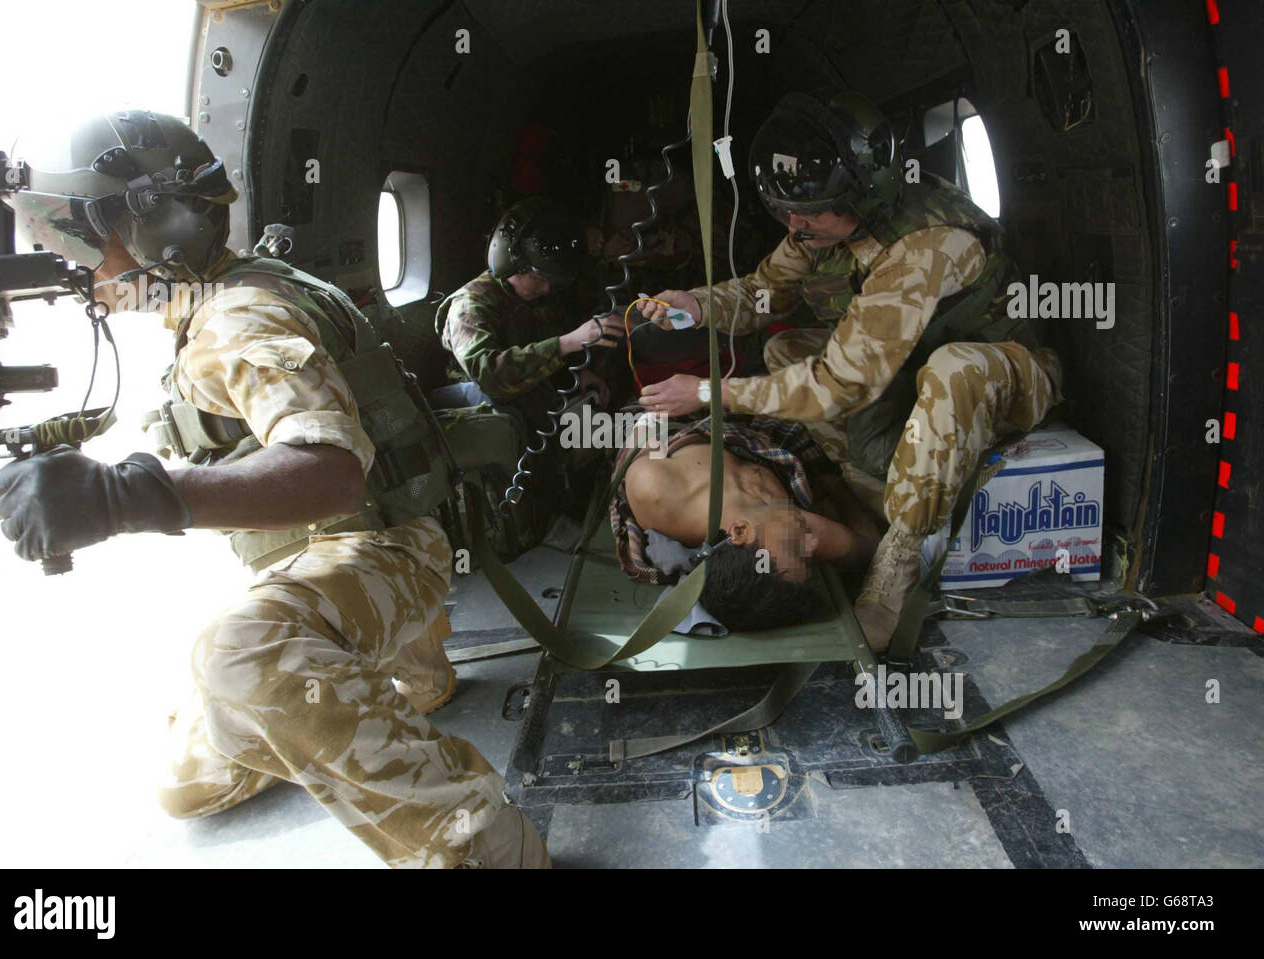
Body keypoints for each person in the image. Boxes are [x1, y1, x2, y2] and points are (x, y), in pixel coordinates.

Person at [0, 109, 546, 867]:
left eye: (77, 238)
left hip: (383, 547)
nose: (71, 264)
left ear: (154, 229)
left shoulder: (237, 316)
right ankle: (405, 675)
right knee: (181, 786)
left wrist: (126, 497)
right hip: (382, 539)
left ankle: (489, 847)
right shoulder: (235, 290)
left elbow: (331, 468)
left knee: (242, 650)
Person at [634, 91, 1063, 651]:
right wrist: (694, 305)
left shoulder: (924, 246)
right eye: (787, 211)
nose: (795, 223)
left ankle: (899, 564)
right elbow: (766, 295)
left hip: (1006, 370)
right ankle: (868, 485)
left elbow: (844, 383)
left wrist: (712, 393)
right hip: (910, 367)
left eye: (808, 212)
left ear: (861, 193)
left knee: (953, 367)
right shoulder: (820, 228)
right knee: (789, 352)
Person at [611, 415, 881, 631]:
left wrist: (702, 393)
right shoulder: (793, 540)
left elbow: (647, 419)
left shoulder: (656, 491)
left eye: (796, 547)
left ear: (740, 531)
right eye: (808, 558)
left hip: (687, 417)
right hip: (759, 430)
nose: (812, 542)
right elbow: (869, 546)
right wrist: (832, 481)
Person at [433, 196, 625, 416]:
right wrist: (567, 343)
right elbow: (491, 378)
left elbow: (536, 353)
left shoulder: (540, 298)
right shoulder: (469, 307)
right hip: (488, 417)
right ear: (515, 265)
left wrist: (575, 376)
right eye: (540, 279)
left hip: (534, 407)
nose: (546, 289)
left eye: (553, 282)